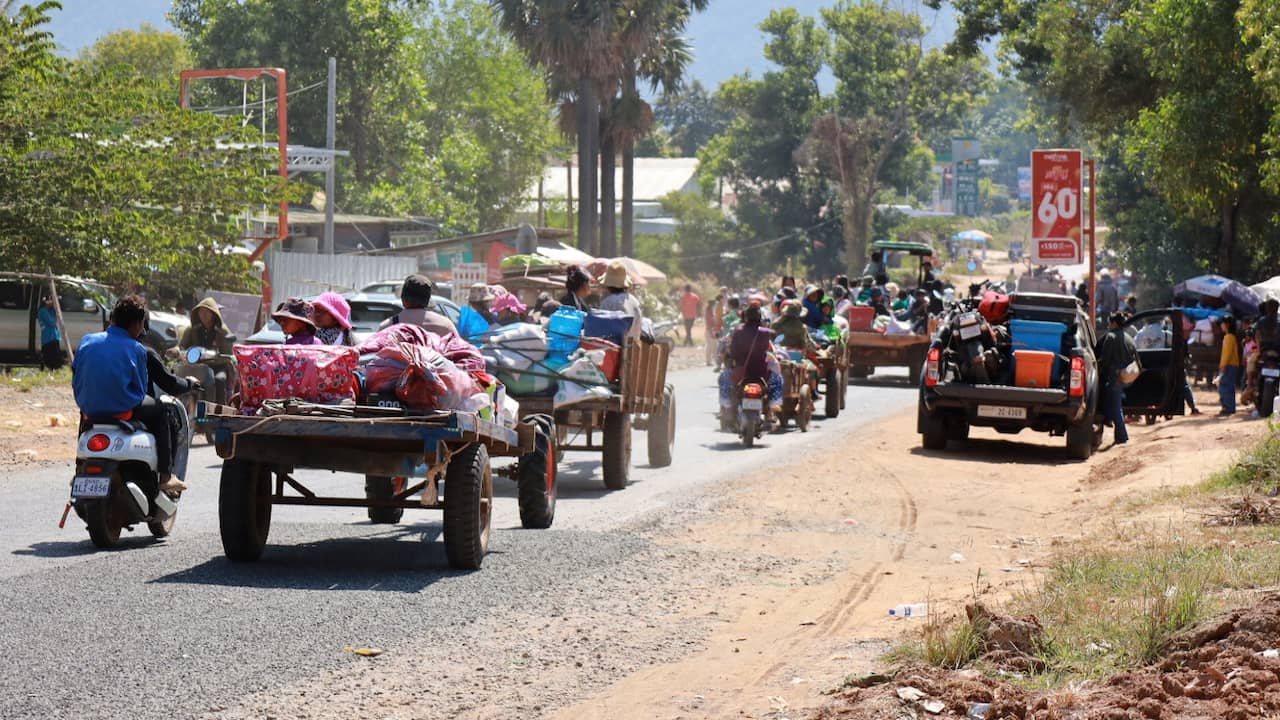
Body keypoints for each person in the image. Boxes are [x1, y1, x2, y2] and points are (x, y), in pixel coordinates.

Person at [72, 295, 199, 495]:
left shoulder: (87, 341)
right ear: (139, 323)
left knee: (84, 417)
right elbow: (140, 389)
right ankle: (166, 477)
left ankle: (79, 467)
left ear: (113, 319)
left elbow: (76, 374)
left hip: (89, 408)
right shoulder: (137, 349)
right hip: (123, 410)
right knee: (162, 411)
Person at [720, 305, 783, 421]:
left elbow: (733, 351)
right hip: (762, 373)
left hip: (740, 373)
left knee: (723, 377)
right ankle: (774, 403)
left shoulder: (738, 331)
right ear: (759, 317)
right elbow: (774, 337)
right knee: (778, 379)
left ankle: (727, 405)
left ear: (746, 317)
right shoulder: (766, 332)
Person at [178, 297, 237, 403]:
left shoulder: (223, 331)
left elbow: (228, 355)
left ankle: (219, 408)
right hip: (195, 366)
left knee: (219, 380)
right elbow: (182, 346)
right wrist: (176, 351)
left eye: (207, 312)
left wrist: (214, 359)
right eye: (201, 311)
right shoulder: (192, 329)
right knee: (178, 379)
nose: (203, 314)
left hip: (217, 367)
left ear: (213, 313)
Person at [1096, 311, 1138, 444]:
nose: (1108, 325)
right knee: (1114, 401)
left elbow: (1105, 360)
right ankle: (1110, 422)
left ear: (1114, 323)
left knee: (1115, 406)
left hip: (1115, 376)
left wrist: (1096, 369)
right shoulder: (1129, 338)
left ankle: (1122, 436)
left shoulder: (1111, 337)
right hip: (1128, 376)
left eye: (1110, 323)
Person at [381, 274, 460, 338]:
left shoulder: (387, 327)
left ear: (403, 299)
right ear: (428, 300)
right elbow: (459, 349)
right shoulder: (445, 325)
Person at [599, 259, 644, 339]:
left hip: (613, 345)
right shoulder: (634, 301)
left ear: (607, 285)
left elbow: (601, 330)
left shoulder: (607, 303)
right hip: (632, 345)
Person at [1218, 315, 1242, 416]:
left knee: (1225, 386)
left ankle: (1228, 407)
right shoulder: (1232, 336)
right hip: (1232, 365)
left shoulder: (1228, 337)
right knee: (1229, 386)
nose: (1221, 325)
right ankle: (1229, 407)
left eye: (1222, 323)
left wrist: (1223, 365)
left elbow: (1227, 353)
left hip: (1229, 365)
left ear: (1227, 324)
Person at [37, 295, 64, 370]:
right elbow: (52, 322)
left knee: (56, 356)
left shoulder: (50, 310)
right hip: (48, 337)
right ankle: (51, 369)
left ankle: (56, 368)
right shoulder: (43, 311)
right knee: (50, 357)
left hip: (54, 336)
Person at [704, 289, 724, 366]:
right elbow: (710, 323)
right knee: (712, 346)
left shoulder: (709, 311)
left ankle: (710, 361)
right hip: (710, 330)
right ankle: (711, 361)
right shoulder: (709, 312)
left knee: (711, 346)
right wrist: (711, 331)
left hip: (709, 330)